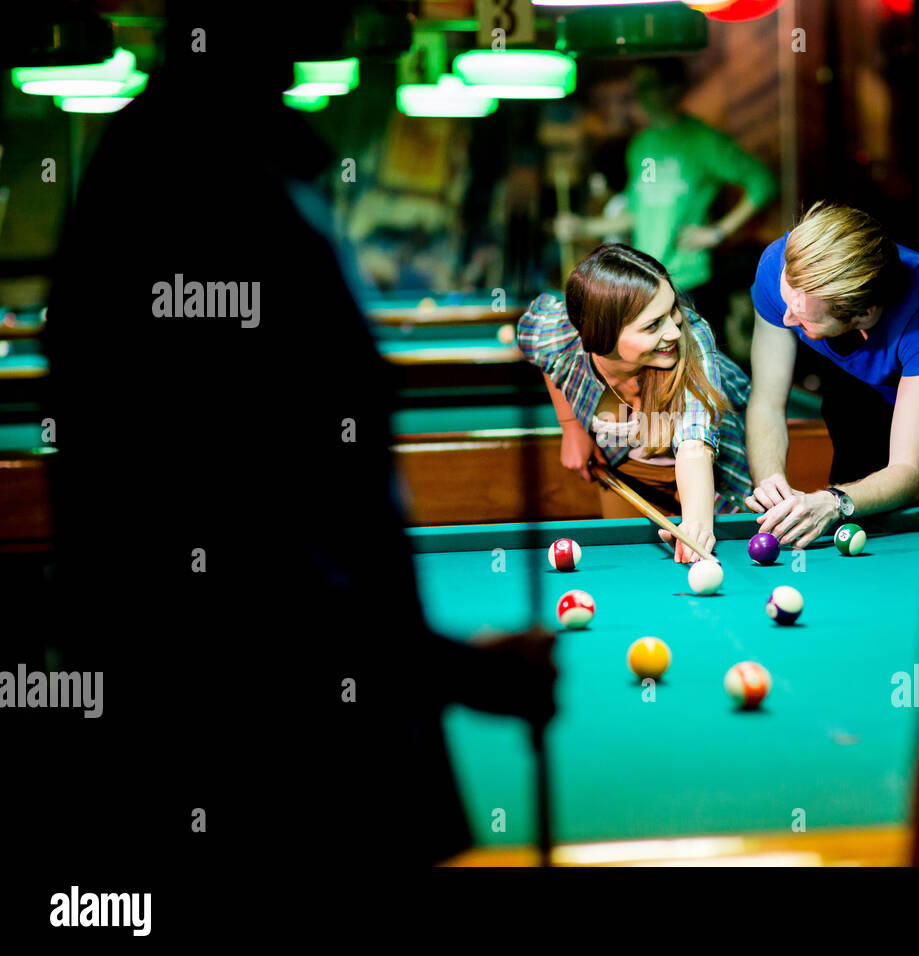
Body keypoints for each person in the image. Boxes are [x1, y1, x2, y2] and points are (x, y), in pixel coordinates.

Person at [25, 2, 555, 898]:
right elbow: (223, 544)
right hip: (258, 767)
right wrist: (446, 668)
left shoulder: (234, 159)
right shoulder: (188, 184)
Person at [745, 201, 919, 547]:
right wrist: (771, 482)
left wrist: (834, 500)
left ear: (863, 315)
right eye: (788, 298)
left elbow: (909, 471)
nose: (786, 319)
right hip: (856, 391)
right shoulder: (780, 266)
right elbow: (766, 403)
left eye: (805, 319)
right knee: (848, 500)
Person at [518, 244, 751, 563]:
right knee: (630, 568)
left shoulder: (692, 341)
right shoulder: (562, 334)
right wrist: (571, 427)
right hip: (625, 471)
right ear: (601, 334)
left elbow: (695, 440)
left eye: (672, 309)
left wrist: (695, 523)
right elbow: (535, 338)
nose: (674, 330)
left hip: (712, 477)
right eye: (653, 325)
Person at [555, 59, 776, 356]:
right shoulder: (641, 146)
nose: (640, 95)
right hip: (648, 285)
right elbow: (635, 213)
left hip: (692, 283)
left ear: (673, 89)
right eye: (637, 88)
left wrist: (717, 232)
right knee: (658, 377)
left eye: (648, 86)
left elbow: (763, 183)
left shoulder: (703, 141)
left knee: (701, 374)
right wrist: (582, 226)